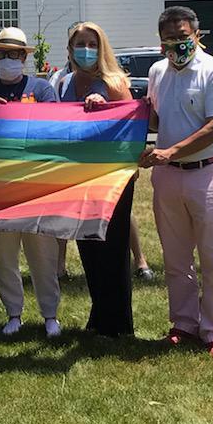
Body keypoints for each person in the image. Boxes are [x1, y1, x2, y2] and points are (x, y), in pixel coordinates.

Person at [141, 6, 213, 356]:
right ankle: (183, 323)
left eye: (182, 38)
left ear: (197, 35)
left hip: (209, 173)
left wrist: (171, 151)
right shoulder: (157, 72)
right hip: (168, 178)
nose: (176, 46)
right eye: (168, 40)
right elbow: (154, 116)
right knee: (176, 258)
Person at [0, 26, 63, 337]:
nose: (7, 59)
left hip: (35, 185)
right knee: (3, 255)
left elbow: (53, 130)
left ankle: (50, 315)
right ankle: (13, 313)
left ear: (24, 57)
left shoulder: (42, 89)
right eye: (2, 54)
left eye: (14, 54)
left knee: (43, 254)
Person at [55, 22, 137, 339]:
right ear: (70, 49)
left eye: (92, 43)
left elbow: (129, 121)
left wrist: (107, 109)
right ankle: (99, 314)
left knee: (113, 248)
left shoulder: (115, 82)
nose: (86, 49)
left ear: (101, 48)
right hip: (78, 177)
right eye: (80, 43)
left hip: (112, 177)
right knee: (88, 247)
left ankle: (120, 324)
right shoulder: (64, 83)